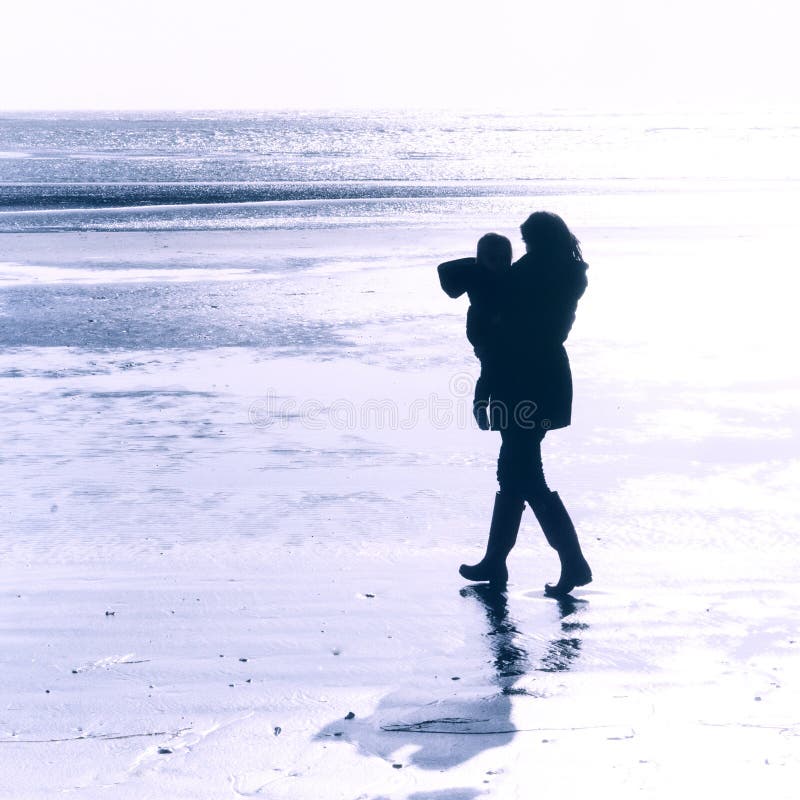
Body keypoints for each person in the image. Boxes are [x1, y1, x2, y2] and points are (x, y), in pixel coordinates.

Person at [455, 212, 592, 596]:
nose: (525, 249)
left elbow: (500, 333)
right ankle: (496, 561)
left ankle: (572, 561)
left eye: (528, 242)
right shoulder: (563, 274)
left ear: (538, 242)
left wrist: (484, 275)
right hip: (542, 381)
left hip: (523, 383)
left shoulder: (533, 276)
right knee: (515, 472)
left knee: (524, 474)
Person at [437, 233, 513, 430]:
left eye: (504, 258)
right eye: (493, 258)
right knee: (490, 368)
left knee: (496, 369)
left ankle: (485, 406)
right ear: (482, 258)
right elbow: (444, 269)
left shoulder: (511, 274)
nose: (499, 263)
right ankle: (480, 405)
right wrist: (474, 262)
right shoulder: (475, 274)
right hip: (481, 329)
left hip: (502, 331)